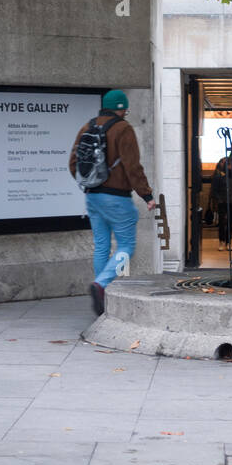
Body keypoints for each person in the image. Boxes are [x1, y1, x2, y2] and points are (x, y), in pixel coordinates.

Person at [69, 89, 156, 318]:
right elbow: (132, 166)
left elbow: (73, 162)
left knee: (101, 245)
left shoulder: (87, 126)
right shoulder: (123, 128)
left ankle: (102, 294)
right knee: (127, 246)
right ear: (120, 108)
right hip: (117, 197)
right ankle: (101, 284)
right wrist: (147, 195)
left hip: (92, 195)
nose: (126, 113)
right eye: (125, 109)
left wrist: (90, 183)